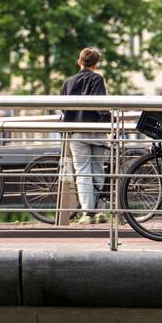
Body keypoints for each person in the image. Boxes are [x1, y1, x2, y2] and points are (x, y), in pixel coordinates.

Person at [59, 47, 112, 223]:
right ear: (96, 64)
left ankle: (87, 214)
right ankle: (100, 212)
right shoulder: (97, 79)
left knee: (82, 171)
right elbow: (100, 104)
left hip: (77, 132)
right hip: (96, 131)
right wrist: (109, 122)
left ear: (79, 62)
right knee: (98, 169)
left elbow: (63, 108)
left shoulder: (68, 82)